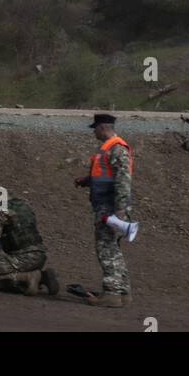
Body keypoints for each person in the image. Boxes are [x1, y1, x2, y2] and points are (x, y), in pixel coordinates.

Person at [74, 113, 134, 307]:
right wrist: (87, 180)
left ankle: (112, 293)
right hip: (107, 205)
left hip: (110, 208)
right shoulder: (109, 149)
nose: (94, 133)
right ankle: (122, 291)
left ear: (102, 128)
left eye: (95, 129)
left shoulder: (116, 148)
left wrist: (120, 210)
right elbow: (107, 176)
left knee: (105, 249)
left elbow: (123, 180)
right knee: (113, 249)